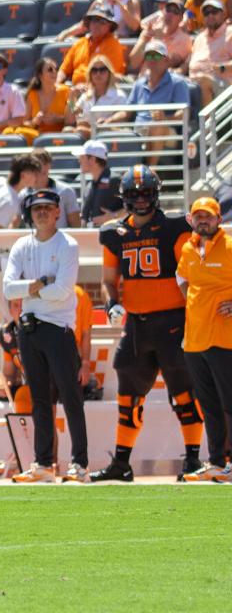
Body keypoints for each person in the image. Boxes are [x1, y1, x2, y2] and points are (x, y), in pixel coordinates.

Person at [91, 166, 203, 482]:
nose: (140, 199)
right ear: (124, 197)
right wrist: (111, 303)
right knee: (128, 396)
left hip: (173, 322)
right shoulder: (115, 233)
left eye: (145, 193)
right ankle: (122, 463)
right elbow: (108, 280)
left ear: (155, 194)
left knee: (184, 393)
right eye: (134, 194)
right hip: (137, 326)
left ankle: (193, 459)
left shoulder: (174, 227)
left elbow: (190, 273)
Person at [4, 189, 88, 483]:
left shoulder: (68, 244)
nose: (41, 212)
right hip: (29, 328)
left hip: (58, 328)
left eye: (47, 208)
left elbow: (63, 290)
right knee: (39, 398)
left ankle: (79, 463)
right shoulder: (21, 245)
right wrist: (40, 284)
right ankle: (43, 463)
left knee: (70, 396)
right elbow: (7, 288)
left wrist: (28, 289)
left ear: (57, 212)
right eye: (37, 208)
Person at [176, 196, 232, 482]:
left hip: (225, 338)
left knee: (229, 403)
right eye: (198, 216)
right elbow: (182, 278)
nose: (203, 220)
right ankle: (217, 462)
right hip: (195, 339)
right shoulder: (187, 247)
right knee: (208, 405)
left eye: (208, 216)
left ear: (218, 219)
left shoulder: (230, 245)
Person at [108, 39, 190, 165]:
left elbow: (184, 113)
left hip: (167, 131)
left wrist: (165, 119)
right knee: (104, 130)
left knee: (156, 127)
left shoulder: (178, 83)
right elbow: (126, 112)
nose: (152, 60)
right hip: (138, 132)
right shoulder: (139, 83)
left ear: (166, 60)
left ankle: (150, 172)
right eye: (148, 56)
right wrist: (108, 121)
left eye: (156, 55)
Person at [59, 4, 128, 88]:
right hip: (76, 91)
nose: (97, 25)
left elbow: (109, 77)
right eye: (95, 21)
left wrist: (87, 87)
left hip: (103, 93)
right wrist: (56, 85)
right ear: (89, 24)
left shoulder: (113, 45)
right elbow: (63, 70)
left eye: (102, 22)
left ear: (109, 27)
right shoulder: (79, 43)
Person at [67, 54, 126, 141]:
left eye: (102, 70)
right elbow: (70, 119)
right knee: (67, 131)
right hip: (85, 134)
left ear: (109, 73)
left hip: (108, 137)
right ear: (90, 74)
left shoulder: (118, 95)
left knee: (80, 131)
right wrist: (71, 97)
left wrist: (108, 121)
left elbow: (124, 117)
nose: (98, 73)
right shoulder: (86, 95)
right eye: (94, 70)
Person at [15, 55, 74, 142]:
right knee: (12, 132)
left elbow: (73, 119)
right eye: (50, 69)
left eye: (56, 69)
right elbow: (25, 122)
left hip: (61, 134)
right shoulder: (32, 94)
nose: (55, 72)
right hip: (38, 137)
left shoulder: (66, 91)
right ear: (40, 75)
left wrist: (59, 119)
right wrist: (35, 122)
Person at [186, 0, 232, 107]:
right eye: (206, 13)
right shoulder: (199, 38)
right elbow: (190, 62)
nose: (210, 15)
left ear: (223, 14)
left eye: (214, 11)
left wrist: (221, 67)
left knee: (203, 80)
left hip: (225, 87)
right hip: (194, 82)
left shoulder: (230, 33)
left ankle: (205, 123)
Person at [21, 147, 82, 229]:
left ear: (49, 166)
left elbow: (76, 226)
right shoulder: (22, 194)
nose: (36, 168)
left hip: (60, 241)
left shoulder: (66, 191)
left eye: (40, 164)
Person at [130, 0, 190, 73]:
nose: (170, 14)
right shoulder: (150, 30)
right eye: (168, 10)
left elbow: (165, 64)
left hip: (163, 82)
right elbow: (134, 63)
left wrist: (158, 40)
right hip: (142, 80)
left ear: (181, 18)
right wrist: (145, 40)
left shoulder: (184, 39)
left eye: (175, 11)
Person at [74, 140, 122, 227]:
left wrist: (114, 216)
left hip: (111, 237)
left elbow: (133, 209)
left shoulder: (115, 180)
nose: (79, 160)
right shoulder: (90, 186)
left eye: (82, 156)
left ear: (92, 159)